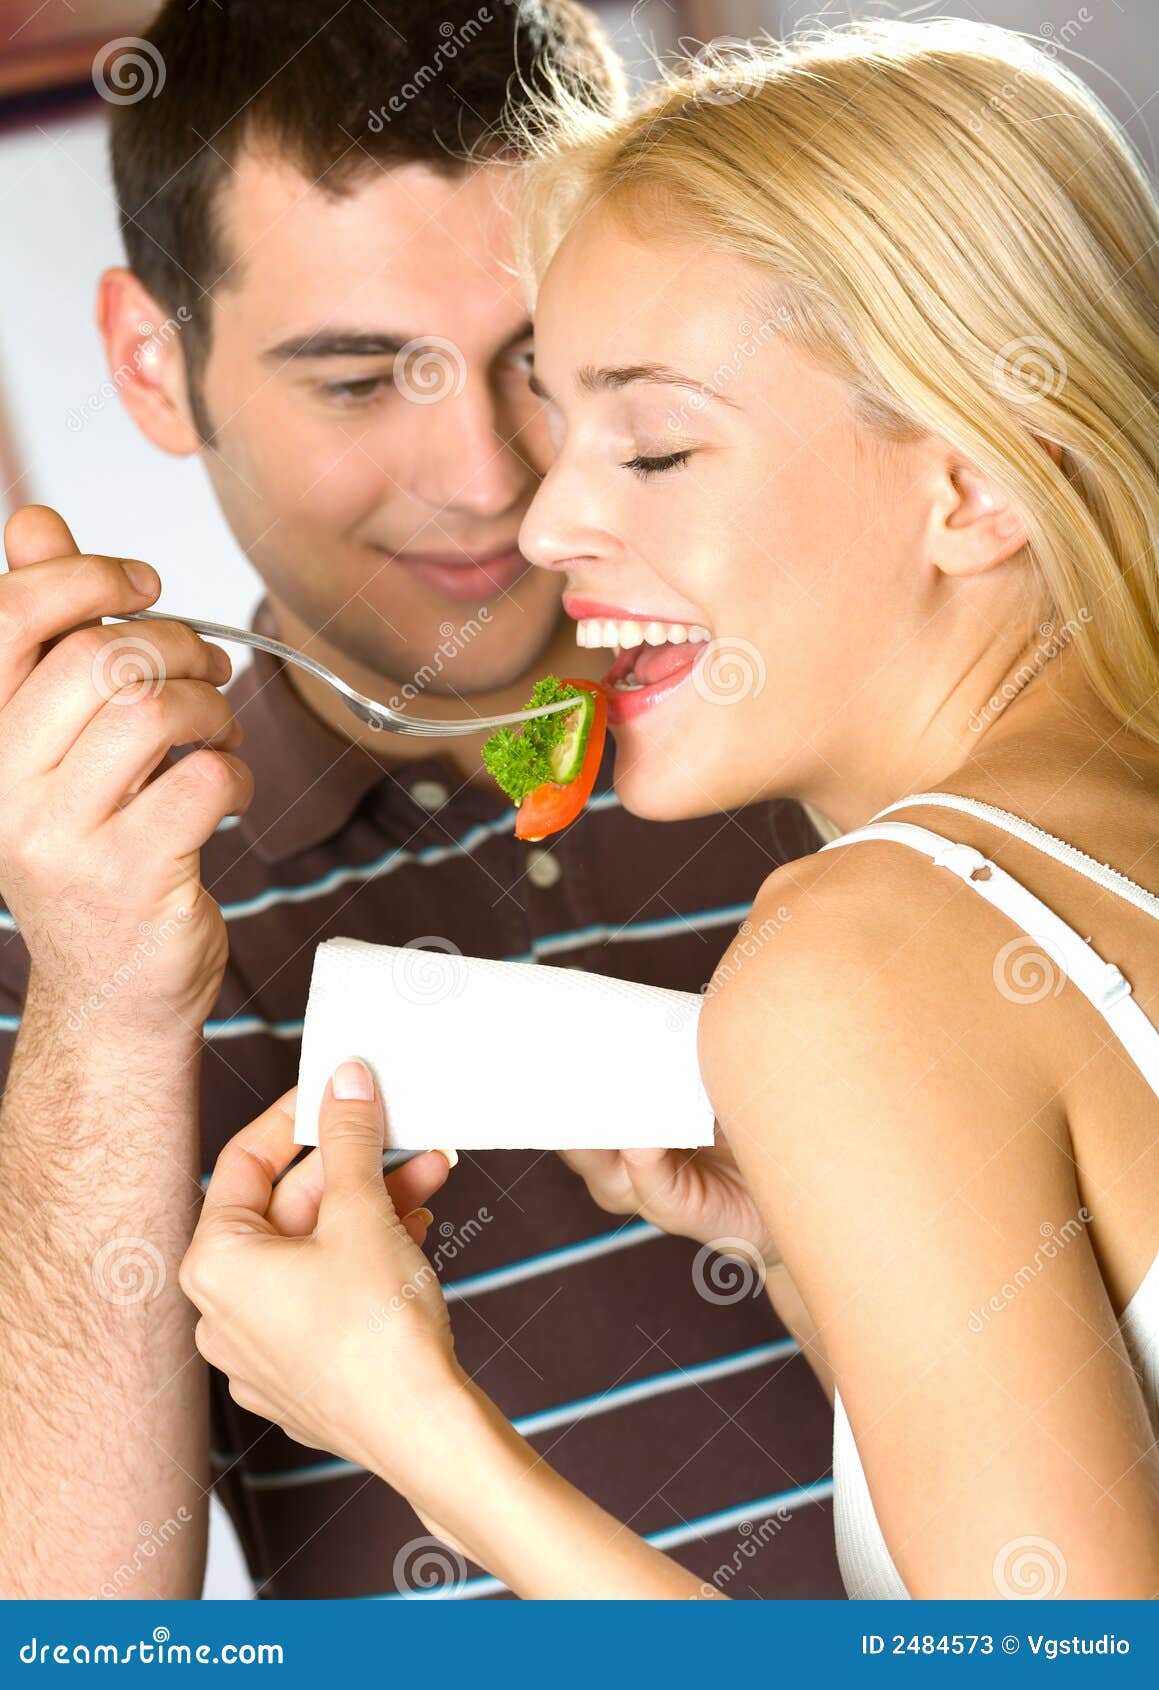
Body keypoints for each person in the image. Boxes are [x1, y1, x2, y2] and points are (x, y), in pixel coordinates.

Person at [182, 16, 1159, 1599]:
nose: (544, 516)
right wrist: (811, 1244)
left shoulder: (858, 955)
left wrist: (416, 1424)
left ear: (975, 485)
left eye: (652, 445)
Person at [0, 2, 833, 1600]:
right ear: (151, 365)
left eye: (541, 357)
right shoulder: (64, 917)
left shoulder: (862, 716)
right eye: (362, 378)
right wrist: (104, 1006)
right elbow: (75, 1634)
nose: (487, 477)